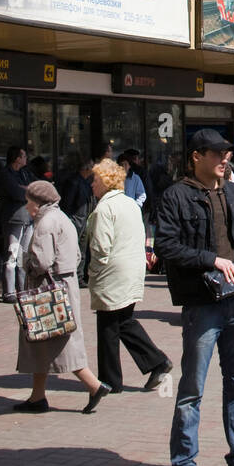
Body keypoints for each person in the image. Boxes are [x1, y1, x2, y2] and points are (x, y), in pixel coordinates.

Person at [154, 129, 234, 466]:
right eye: (218, 153)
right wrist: (212, 260)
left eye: (228, 154)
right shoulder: (176, 196)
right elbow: (166, 247)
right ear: (196, 156)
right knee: (192, 388)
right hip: (202, 304)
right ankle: (184, 464)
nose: (226, 159)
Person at [12, 181, 110, 414]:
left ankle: (94, 386)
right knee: (43, 341)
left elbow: (41, 261)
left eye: (29, 202)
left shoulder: (45, 223)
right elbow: (76, 254)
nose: (27, 207)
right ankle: (37, 397)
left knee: (58, 342)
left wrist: (25, 262)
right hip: (64, 286)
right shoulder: (62, 217)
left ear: (38, 202)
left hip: (48, 290)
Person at [85, 160, 173, 400]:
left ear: (104, 181)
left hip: (112, 273)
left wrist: (93, 272)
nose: (92, 184)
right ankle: (155, 361)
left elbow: (101, 248)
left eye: (95, 180)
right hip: (131, 270)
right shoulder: (130, 204)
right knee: (122, 321)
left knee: (108, 325)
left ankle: (112, 380)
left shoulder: (105, 209)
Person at [0, 146, 33, 302]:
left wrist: (26, 189)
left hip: (28, 218)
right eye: (24, 156)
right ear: (17, 158)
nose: (26, 159)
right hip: (14, 219)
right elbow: (16, 193)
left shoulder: (25, 173)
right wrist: (25, 190)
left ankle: (22, 289)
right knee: (12, 254)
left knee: (24, 256)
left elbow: (37, 186)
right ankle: (9, 292)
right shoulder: (6, 174)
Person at [59, 158, 94, 286]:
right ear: (85, 169)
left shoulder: (85, 182)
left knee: (82, 251)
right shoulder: (74, 182)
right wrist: (70, 220)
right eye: (91, 166)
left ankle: (79, 276)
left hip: (84, 220)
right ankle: (73, 276)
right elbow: (67, 204)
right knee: (74, 250)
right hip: (76, 221)